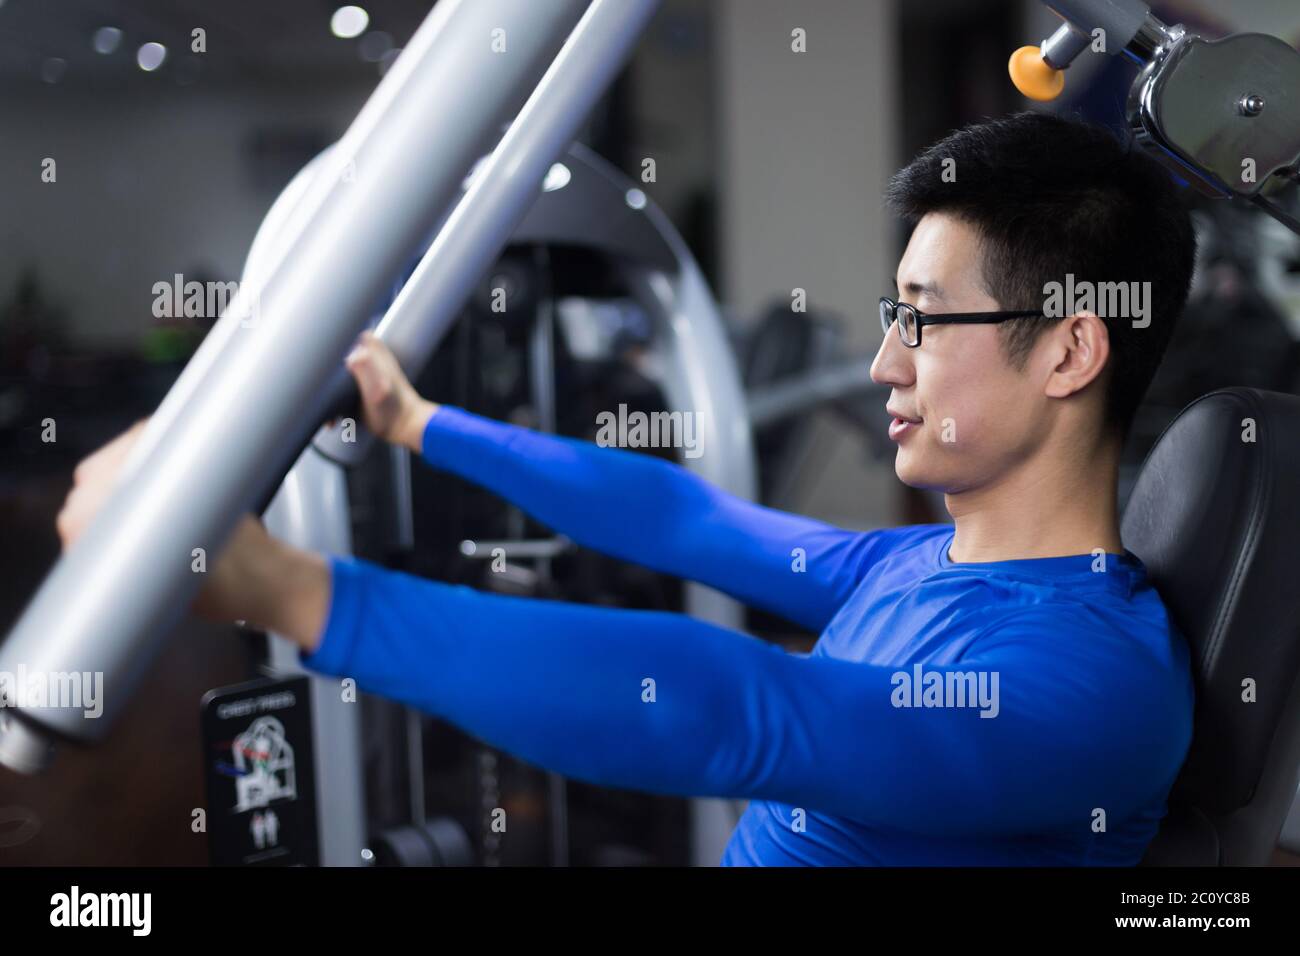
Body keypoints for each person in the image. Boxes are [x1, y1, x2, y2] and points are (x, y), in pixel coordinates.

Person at [57, 111, 1198, 866]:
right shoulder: (919, 563)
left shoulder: (1085, 684)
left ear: (1067, 352)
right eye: (893, 313)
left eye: (927, 319)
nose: (882, 362)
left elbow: (740, 707)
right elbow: (684, 517)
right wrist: (420, 422)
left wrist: (298, 593)